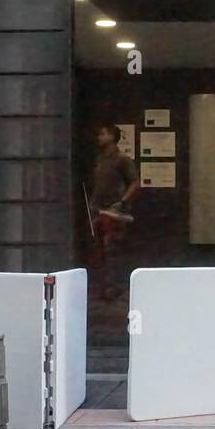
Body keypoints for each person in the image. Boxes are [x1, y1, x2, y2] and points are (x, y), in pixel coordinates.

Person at [89, 124, 139, 299]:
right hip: (98, 211)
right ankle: (103, 286)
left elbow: (135, 182)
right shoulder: (100, 160)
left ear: (112, 137)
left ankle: (114, 287)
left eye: (103, 134)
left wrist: (123, 201)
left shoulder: (122, 160)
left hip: (113, 211)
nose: (99, 138)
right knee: (100, 250)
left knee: (112, 250)